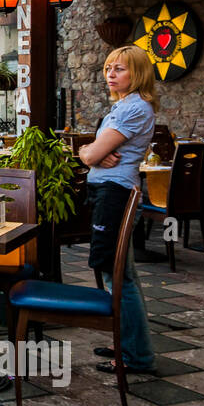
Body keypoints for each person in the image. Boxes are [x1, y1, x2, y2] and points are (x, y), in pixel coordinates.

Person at [77, 45, 158, 376]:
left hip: (115, 193)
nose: (111, 74)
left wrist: (90, 152)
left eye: (120, 69)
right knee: (122, 275)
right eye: (109, 68)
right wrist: (90, 150)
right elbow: (91, 152)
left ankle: (136, 356)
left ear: (136, 73)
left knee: (117, 275)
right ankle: (126, 341)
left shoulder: (134, 109)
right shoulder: (124, 107)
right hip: (108, 191)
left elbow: (92, 156)